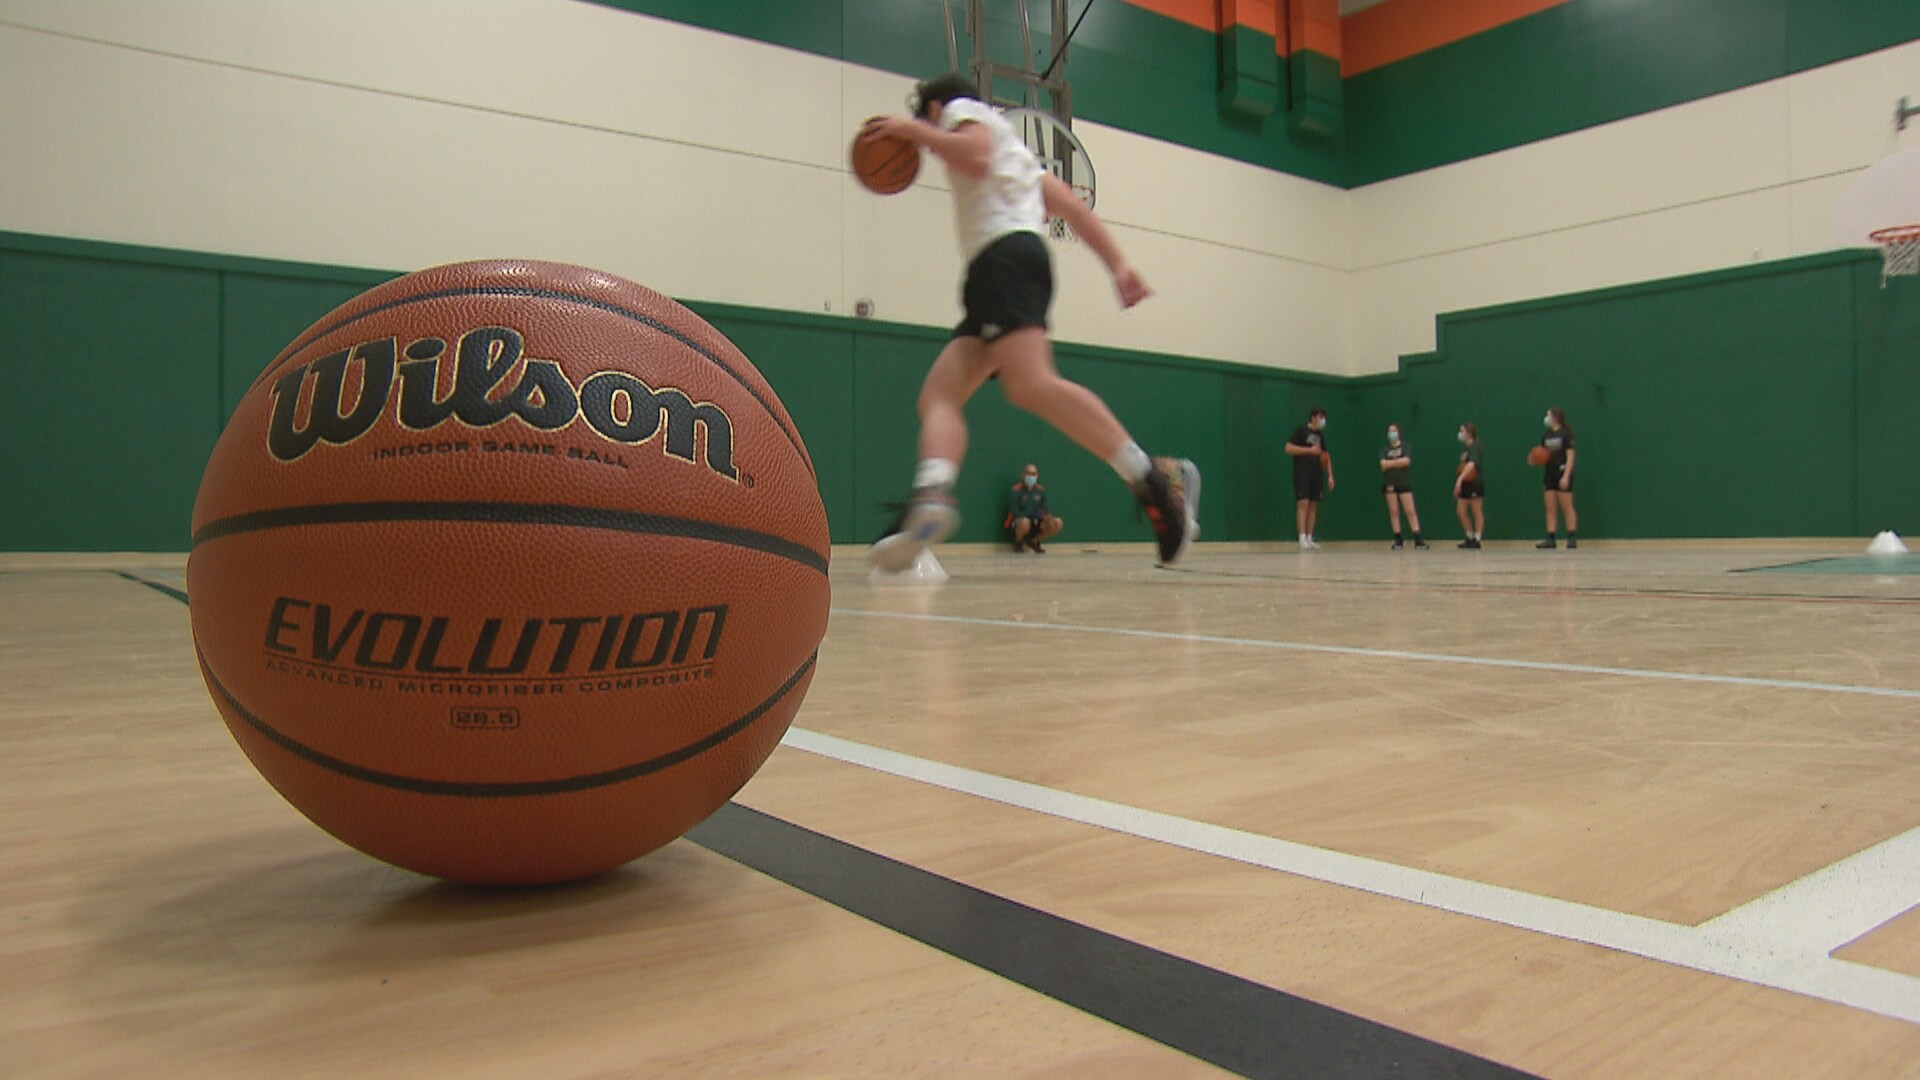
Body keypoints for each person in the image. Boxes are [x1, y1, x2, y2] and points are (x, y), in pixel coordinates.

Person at [860, 74, 1200, 571]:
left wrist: (911, 132)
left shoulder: (959, 112)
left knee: (1031, 385)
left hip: (1004, 260)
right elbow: (1070, 206)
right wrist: (1119, 266)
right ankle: (930, 497)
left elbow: (971, 154)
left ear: (934, 108)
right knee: (939, 394)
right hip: (1000, 268)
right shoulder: (1015, 152)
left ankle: (1153, 477)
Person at [1284, 407, 1332, 549]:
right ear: (1313, 417)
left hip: (1316, 474)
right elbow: (1288, 448)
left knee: (1313, 505)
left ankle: (1310, 538)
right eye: (1320, 417)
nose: (1323, 421)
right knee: (1303, 503)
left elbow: (1325, 455)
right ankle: (1302, 537)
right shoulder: (1301, 431)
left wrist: (1330, 475)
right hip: (1302, 473)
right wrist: (1308, 450)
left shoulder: (1320, 436)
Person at [1379, 424, 1426, 549]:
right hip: (1389, 484)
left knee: (1410, 511)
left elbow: (1406, 461)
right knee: (1394, 511)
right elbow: (1383, 465)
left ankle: (1418, 540)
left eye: (1394, 431)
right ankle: (1398, 540)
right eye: (1389, 431)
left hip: (1404, 483)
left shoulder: (1405, 446)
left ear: (1399, 433)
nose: (1391, 433)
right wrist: (1397, 463)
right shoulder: (1384, 449)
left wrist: (1391, 463)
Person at [1538, 407, 1578, 549]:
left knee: (1567, 506)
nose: (1546, 417)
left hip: (1562, 472)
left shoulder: (1566, 435)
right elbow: (1543, 455)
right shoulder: (1546, 435)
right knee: (1550, 508)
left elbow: (1571, 456)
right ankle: (1551, 538)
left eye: (1548, 414)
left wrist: (1566, 476)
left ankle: (1572, 537)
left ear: (1556, 417)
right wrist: (1535, 459)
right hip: (1549, 474)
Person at [1005, 463, 1063, 552]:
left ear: (1037, 476)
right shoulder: (1015, 490)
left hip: (1037, 521)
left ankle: (1034, 541)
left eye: (1033, 474)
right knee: (1025, 522)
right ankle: (1018, 543)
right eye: (1028, 474)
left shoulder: (1040, 490)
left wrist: (1047, 516)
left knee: (1057, 523)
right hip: (1019, 523)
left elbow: (1045, 508)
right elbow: (1016, 513)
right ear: (1023, 475)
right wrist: (1033, 516)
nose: (1031, 476)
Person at [1453, 422, 1486, 549]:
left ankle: (1477, 538)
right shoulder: (1466, 449)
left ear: (1469, 433)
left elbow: (1472, 465)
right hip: (1466, 483)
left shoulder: (1475, 447)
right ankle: (1469, 536)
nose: (1460, 434)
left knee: (1476, 510)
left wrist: (1460, 479)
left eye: (1462, 431)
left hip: (1475, 483)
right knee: (1461, 511)